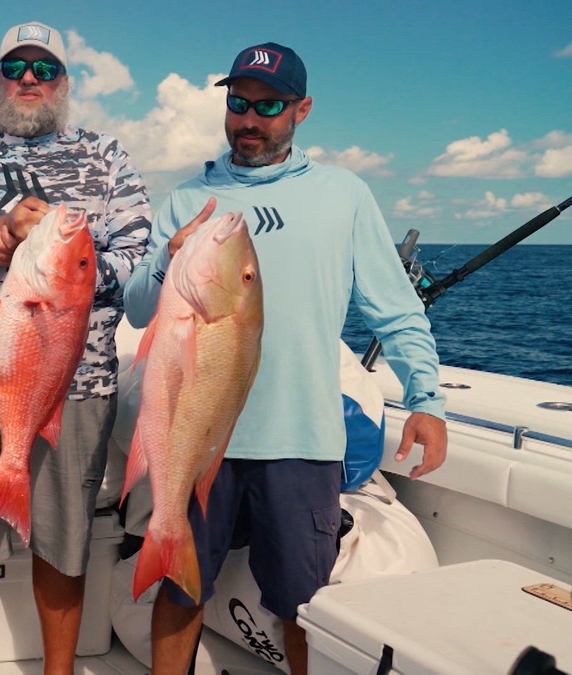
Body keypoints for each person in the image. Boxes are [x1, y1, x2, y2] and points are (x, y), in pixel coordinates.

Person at [123, 42, 448, 674]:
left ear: (302, 109)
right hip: (196, 440)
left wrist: (426, 399)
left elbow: (395, 308)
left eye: (268, 106)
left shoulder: (343, 194)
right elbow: (138, 310)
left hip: (302, 440)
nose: (249, 119)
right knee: (180, 591)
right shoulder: (187, 198)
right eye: (238, 103)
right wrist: (167, 258)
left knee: (306, 605)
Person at [0, 21, 152, 674]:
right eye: (14, 67)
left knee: (64, 541)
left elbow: (136, 260)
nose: (28, 79)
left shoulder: (106, 156)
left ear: (64, 83)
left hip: (78, 385)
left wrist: (67, 262)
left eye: (44, 69)